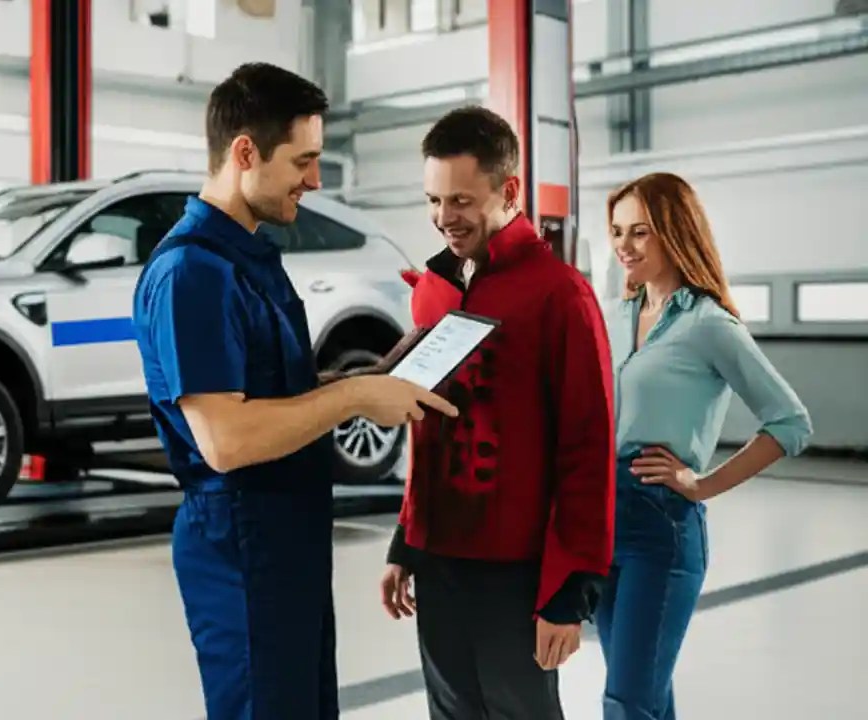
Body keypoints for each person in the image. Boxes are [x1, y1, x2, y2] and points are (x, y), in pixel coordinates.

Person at [131, 62, 459, 720]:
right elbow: (225, 439)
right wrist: (355, 400)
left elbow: (275, 391)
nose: (314, 181)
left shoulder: (251, 255)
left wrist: (363, 379)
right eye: (303, 161)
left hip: (287, 537)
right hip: (240, 544)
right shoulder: (194, 273)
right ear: (245, 152)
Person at [378, 105, 616, 720]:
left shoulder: (561, 295)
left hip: (518, 570)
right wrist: (407, 540)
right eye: (433, 200)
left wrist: (570, 590)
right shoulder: (433, 291)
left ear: (508, 190)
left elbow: (587, 447)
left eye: (459, 200)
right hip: (441, 563)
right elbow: (424, 428)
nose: (443, 218)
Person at [597, 172, 812, 719]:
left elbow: (790, 421)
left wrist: (702, 483)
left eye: (640, 232)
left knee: (627, 701)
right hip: (599, 523)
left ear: (675, 232)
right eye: (618, 231)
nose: (624, 246)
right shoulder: (611, 317)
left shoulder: (709, 324)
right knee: (647, 694)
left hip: (660, 529)